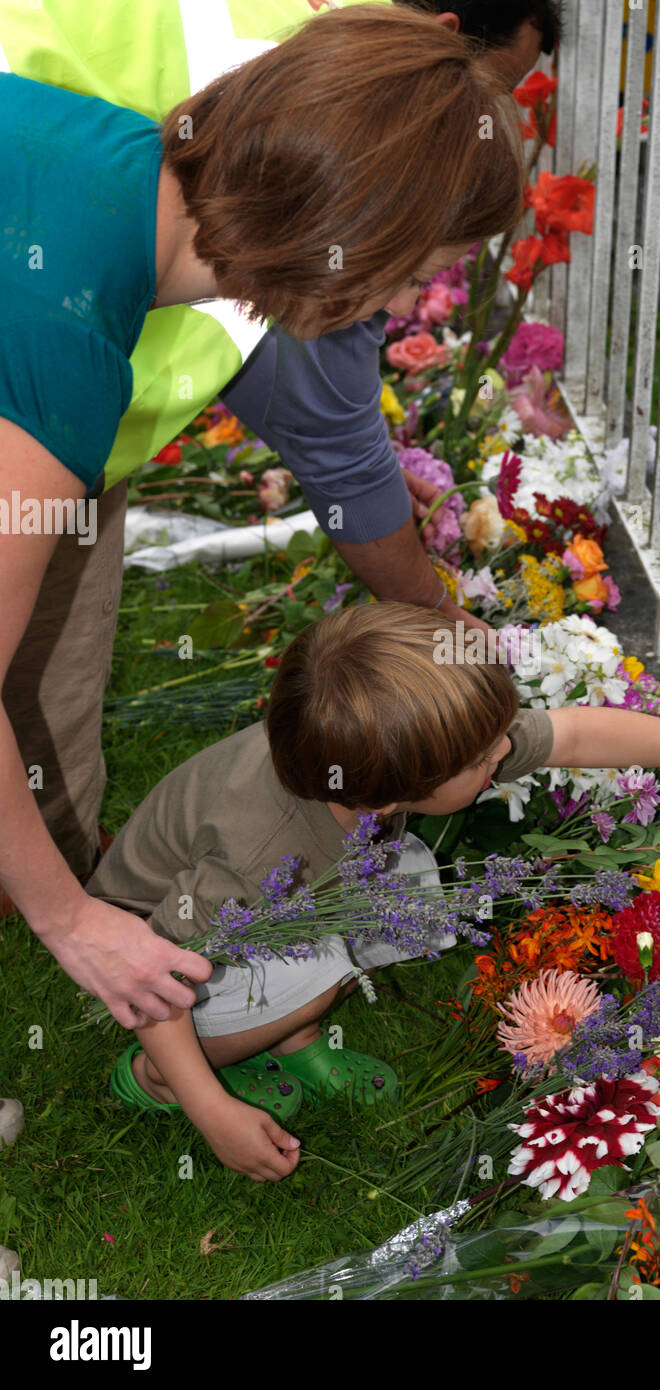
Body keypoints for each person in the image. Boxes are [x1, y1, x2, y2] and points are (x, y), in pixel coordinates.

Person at [0, 6, 526, 1026]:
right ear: (356, 244)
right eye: (414, 276)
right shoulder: (63, 340)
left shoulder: (91, 150)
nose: (403, 307)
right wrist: (71, 919)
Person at [85, 602, 660, 1182]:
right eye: (482, 757)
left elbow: (574, 738)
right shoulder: (260, 847)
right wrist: (211, 1111)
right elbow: (154, 973)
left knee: (409, 896)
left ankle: (293, 1033)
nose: (502, 754)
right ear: (393, 791)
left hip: (268, 911)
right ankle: (158, 1076)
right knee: (319, 970)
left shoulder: (387, 752)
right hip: (146, 953)